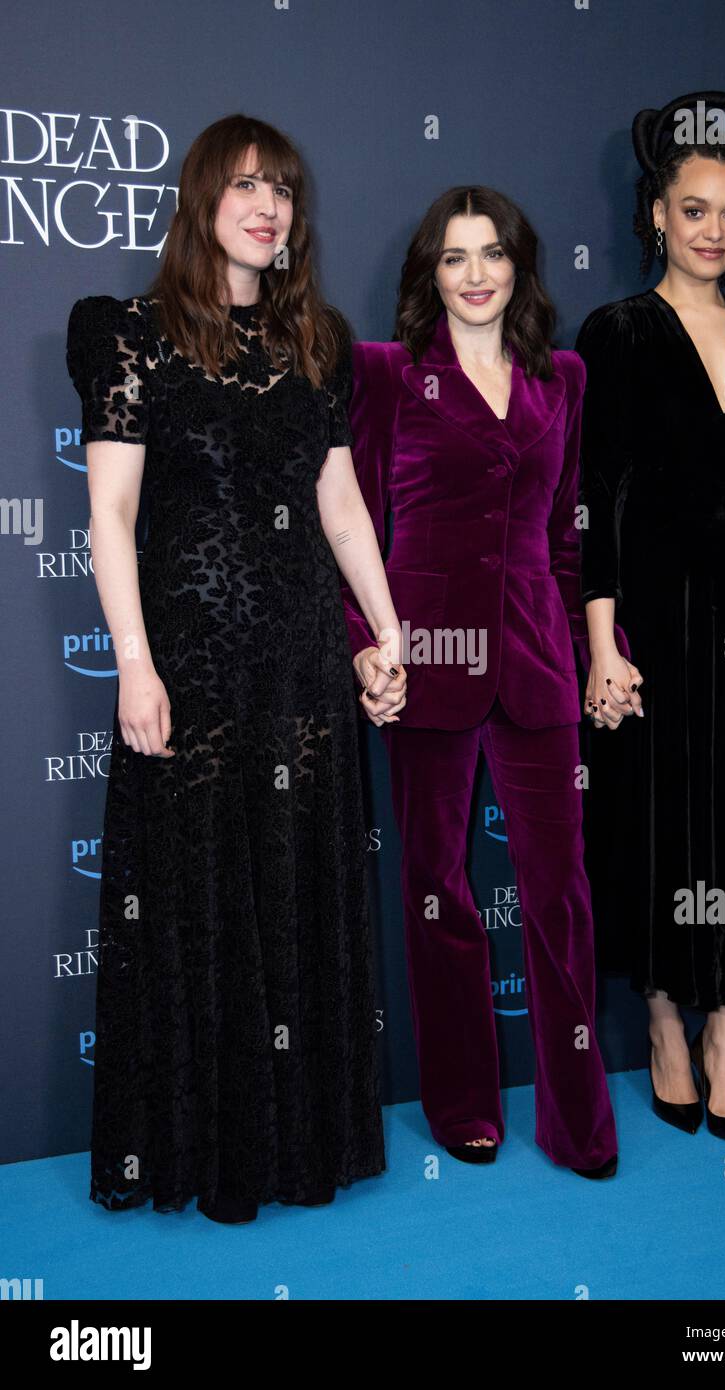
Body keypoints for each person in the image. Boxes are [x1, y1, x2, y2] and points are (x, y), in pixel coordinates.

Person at [65, 114, 406, 1223]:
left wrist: (385, 631)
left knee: (294, 890)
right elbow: (111, 515)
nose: (269, 207)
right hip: (195, 668)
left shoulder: (318, 344)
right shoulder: (129, 334)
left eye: (286, 191)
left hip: (305, 662)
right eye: (247, 185)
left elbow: (342, 506)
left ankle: (299, 1140)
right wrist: (133, 661)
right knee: (200, 904)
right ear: (202, 197)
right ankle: (207, 1153)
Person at [342, 186, 633, 1178]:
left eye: (492, 252)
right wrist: (365, 643)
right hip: (427, 656)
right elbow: (356, 530)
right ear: (431, 272)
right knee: (439, 888)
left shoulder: (565, 379)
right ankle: (464, 1102)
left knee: (560, 892)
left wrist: (603, 647)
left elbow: (565, 536)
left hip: (539, 651)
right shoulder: (387, 376)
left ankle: (578, 1117)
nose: (474, 274)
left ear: (519, 266)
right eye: (454, 256)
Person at [576, 90, 725, 1147]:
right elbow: (595, 499)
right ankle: (667, 1027)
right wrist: (600, 642)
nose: (713, 230)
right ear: (656, 215)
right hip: (656, 626)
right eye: (693, 208)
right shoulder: (616, 333)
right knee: (658, 827)